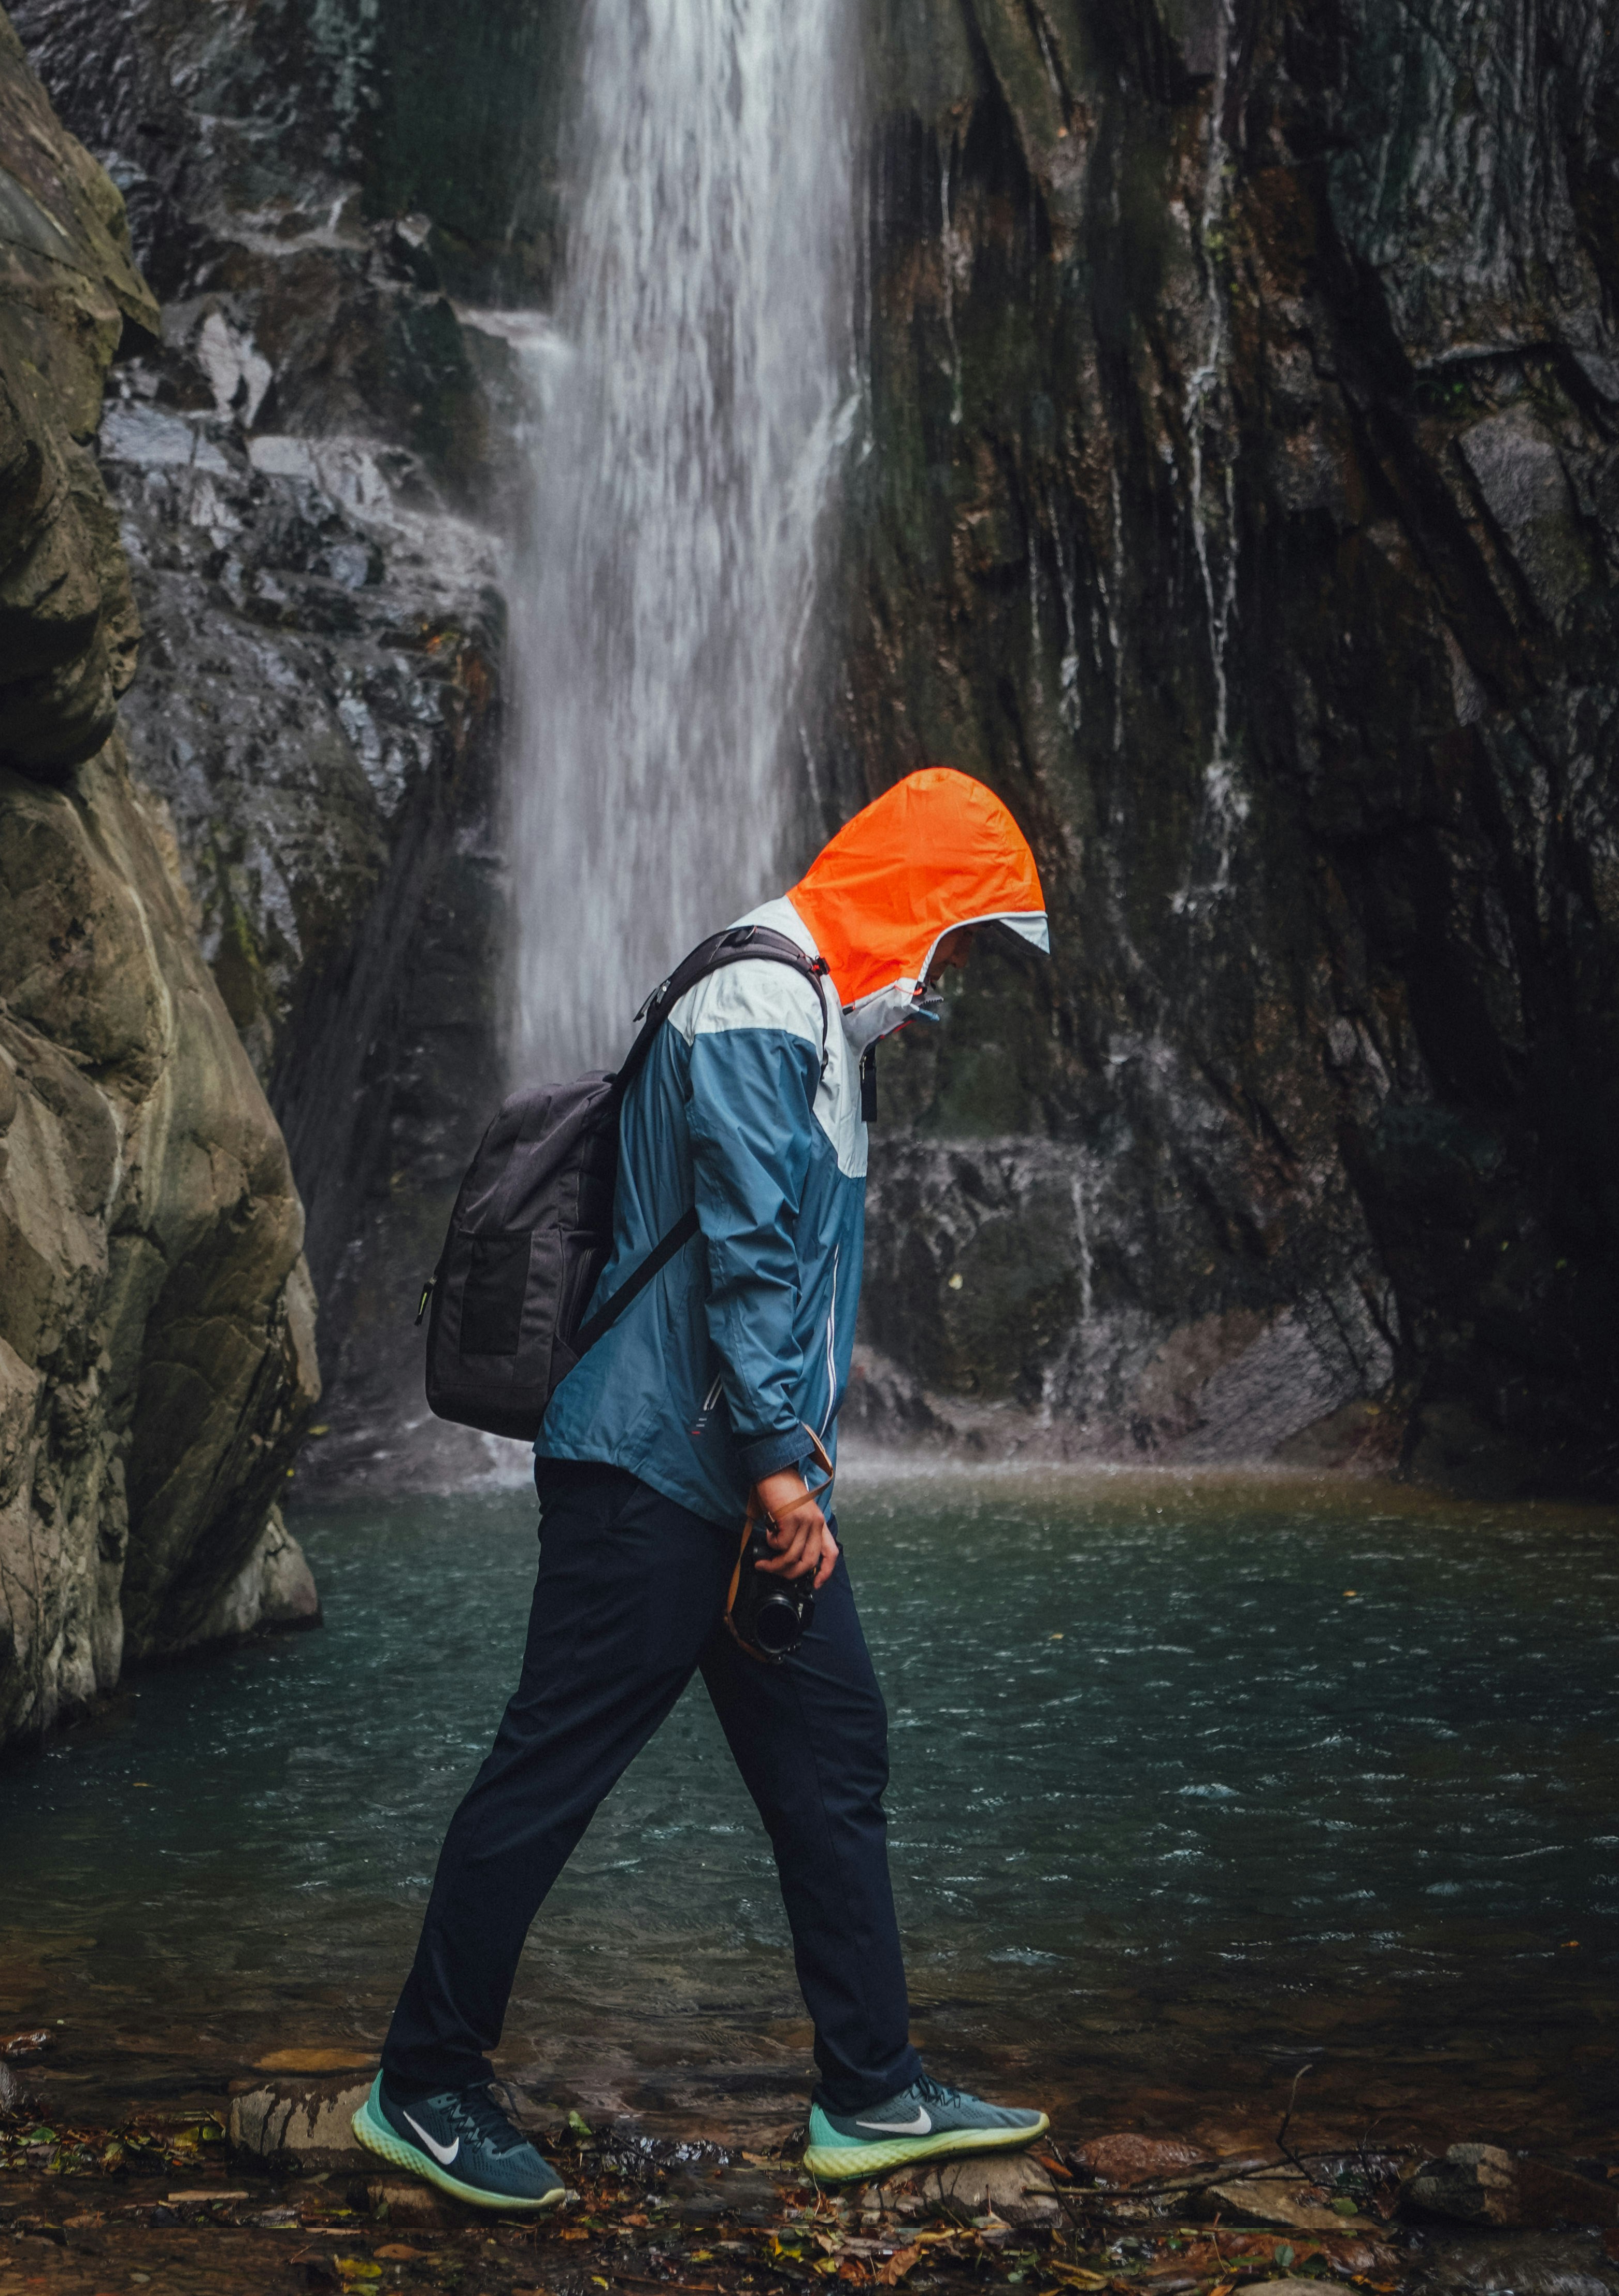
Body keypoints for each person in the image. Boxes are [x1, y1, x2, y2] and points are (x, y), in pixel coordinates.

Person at [355, 767, 1053, 2213]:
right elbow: (748, 1251)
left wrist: (783, 1475)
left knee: (835, 1749)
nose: (950, 978)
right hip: (653, 1472)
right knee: (552, 1767)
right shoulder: (757, 997)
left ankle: (872, 2090)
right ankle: (422, 2084)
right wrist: (782, 1467)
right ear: (910, 899)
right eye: (958, 938)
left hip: (734, 1482)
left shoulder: (817, 1016)